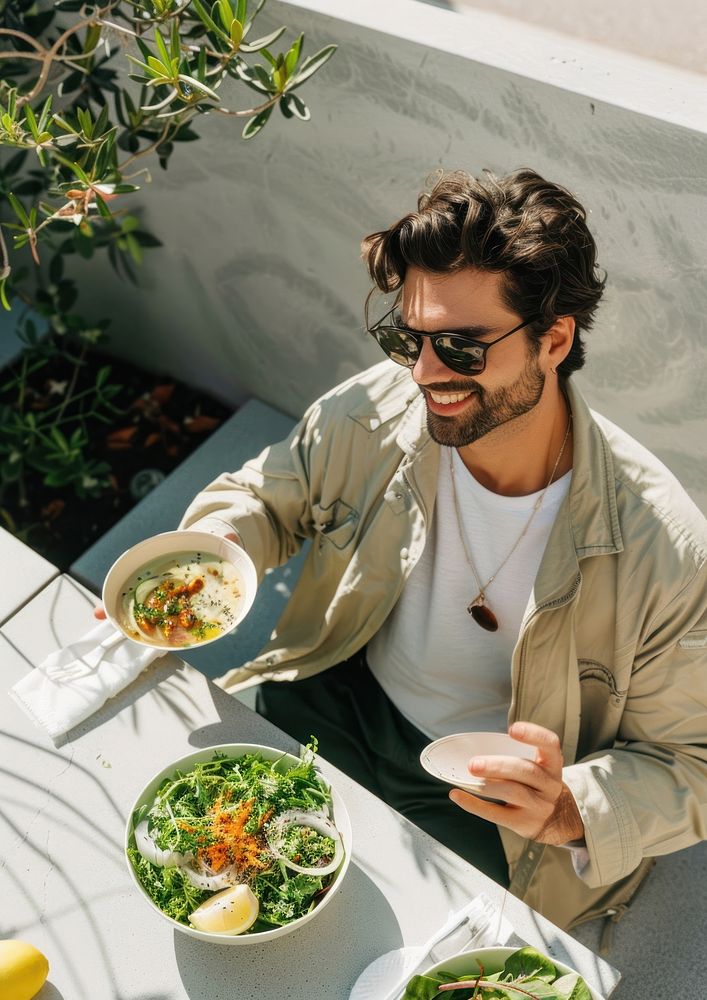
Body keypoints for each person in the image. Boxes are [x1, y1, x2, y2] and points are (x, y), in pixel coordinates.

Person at [176, 168, 707, 931]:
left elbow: (691, 762)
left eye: (460, 345)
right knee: (198, 856)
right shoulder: (380, 405)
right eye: (407, 337)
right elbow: (268, 496)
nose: (424, 372)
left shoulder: (664, 550)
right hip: (337, 686)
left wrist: (571, 807)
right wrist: (214, 545)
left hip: (486, 796)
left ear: (552, 339)